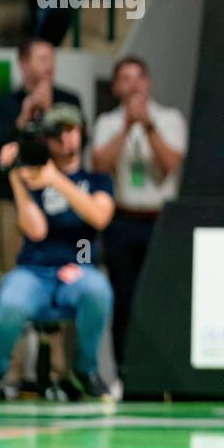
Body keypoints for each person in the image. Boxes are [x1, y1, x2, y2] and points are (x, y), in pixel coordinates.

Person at [0, 104, 115, 401]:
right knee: (10, 300)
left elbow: (98, 216)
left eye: (72, 130)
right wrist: (16, 180)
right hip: (34, 270)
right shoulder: (32, 181)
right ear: (48, 140)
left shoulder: (97, 180)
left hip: (77, 268)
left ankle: (85, 370)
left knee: (98, 290)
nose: (66, 138)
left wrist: (56, 179)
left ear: (82, 134)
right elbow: (36, 231)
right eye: (58, 132)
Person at [92, 57, 187, 376]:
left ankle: (163, 372)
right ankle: (124, 373)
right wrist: (126, 127)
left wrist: (147, 125)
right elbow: (99, 165)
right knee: (124, 299)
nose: (132, 84)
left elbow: (170, 163)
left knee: (162, 297)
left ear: (149, 82)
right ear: (116, 86)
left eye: (138, 77)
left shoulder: (169, 118)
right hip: (122, 220)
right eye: (124, 78)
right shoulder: (107, 122)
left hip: (160, 221)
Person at [0, 38, 84, 280]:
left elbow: (78, 147)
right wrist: (23, 119)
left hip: (59, 199)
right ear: (23, 63)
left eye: (52, 59)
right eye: (42, 59)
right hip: (12, 199)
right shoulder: (4, 104)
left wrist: (51, 112)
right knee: (11, 276)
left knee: (64, 274)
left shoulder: (68, 101)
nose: (50, 65)